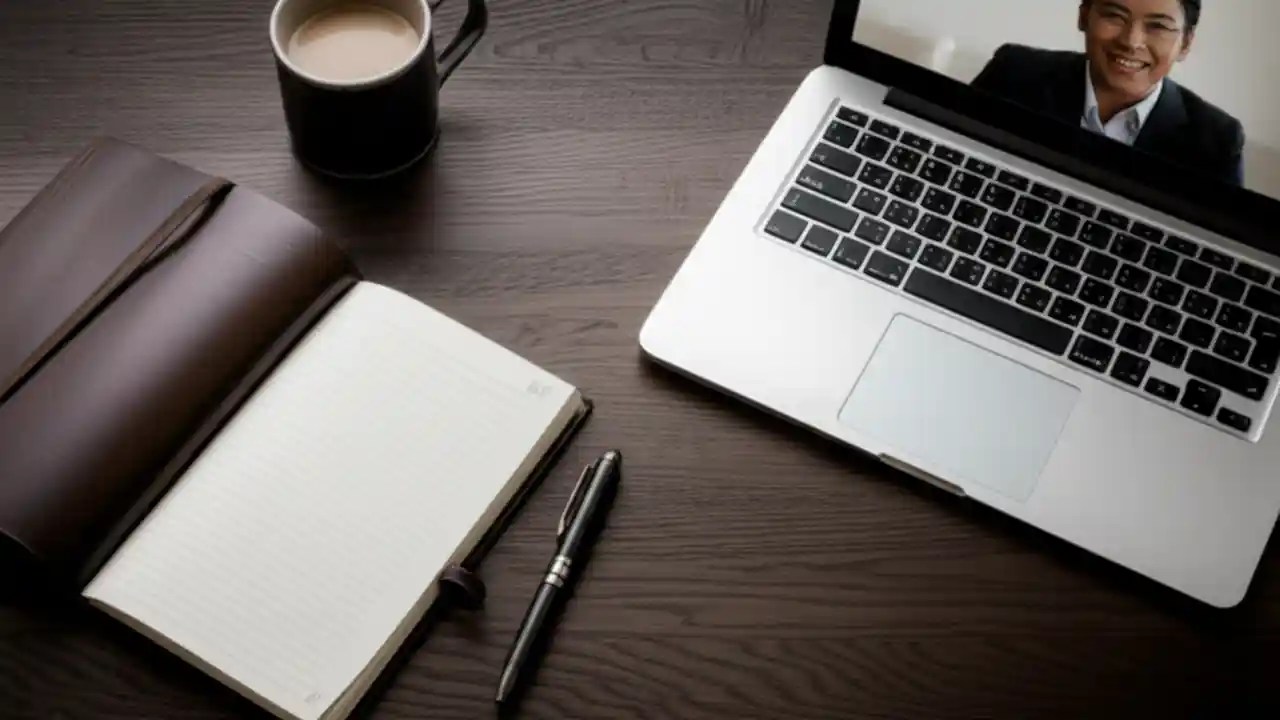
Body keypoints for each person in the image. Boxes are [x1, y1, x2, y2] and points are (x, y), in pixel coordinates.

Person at [972, 0, 1245, 185]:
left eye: (1158, 26)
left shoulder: (1217, 141)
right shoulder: (1013, 73)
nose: (1131, 42)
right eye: (1115, 16)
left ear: (1185, 43)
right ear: (1084, 16)